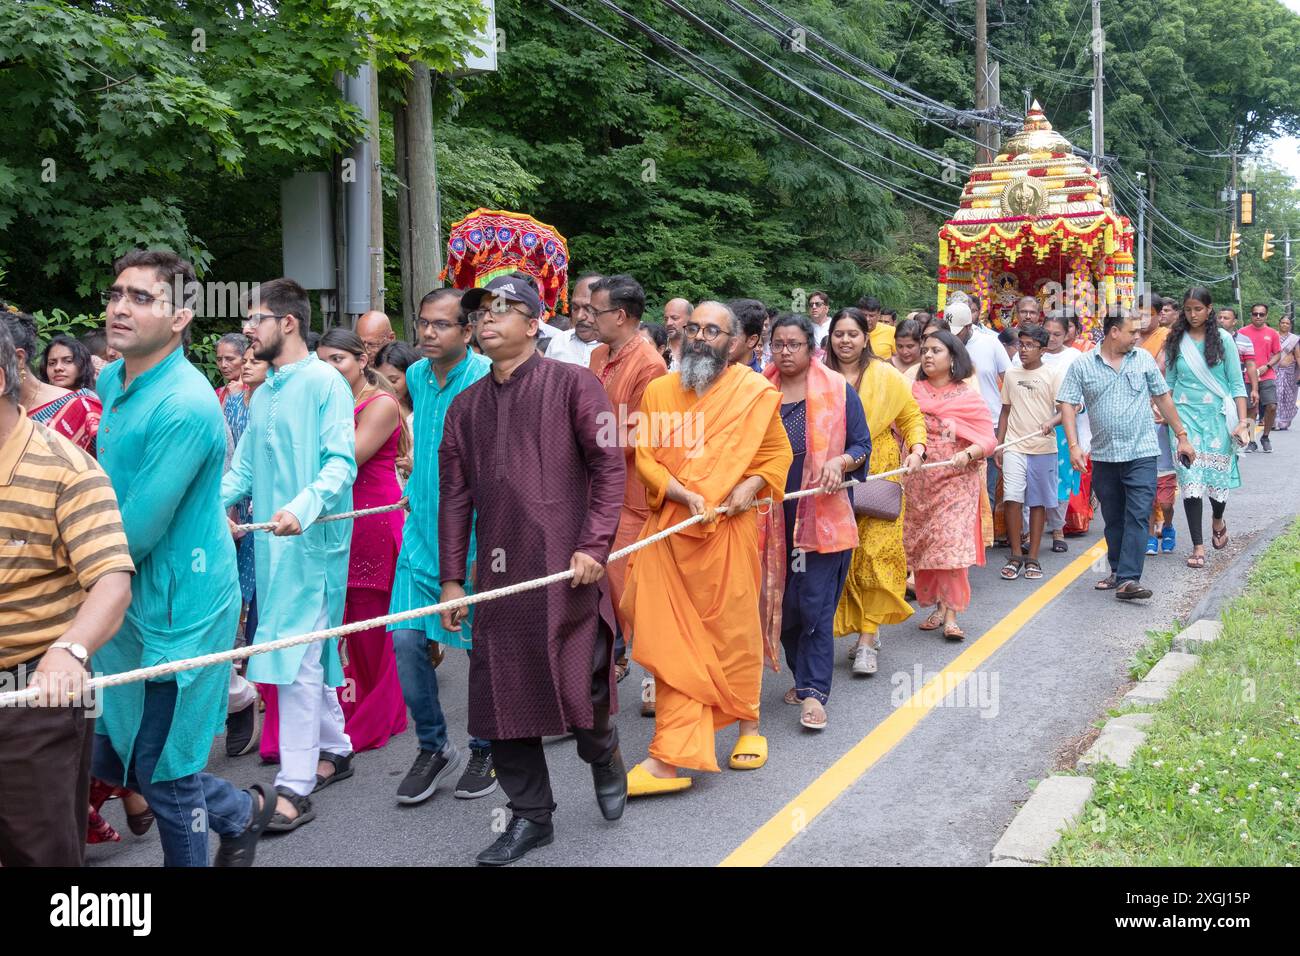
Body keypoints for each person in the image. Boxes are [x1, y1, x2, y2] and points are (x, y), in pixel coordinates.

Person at [92, 249, 276, 867]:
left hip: (181, 608)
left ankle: (223, 824)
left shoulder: (188, 405)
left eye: (142, 297)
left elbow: (135, 530)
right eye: (118, 293)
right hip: (121, 597)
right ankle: (239, 813)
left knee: (165, 772)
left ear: (179, 319)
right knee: (111, 755)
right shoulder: (109, 379)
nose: (120, 306)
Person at [438, 273, 627, 866]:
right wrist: (451, 580)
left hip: (570, 570)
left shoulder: (577, 385)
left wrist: (593, 546)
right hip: (499, 578)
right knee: (500, 696)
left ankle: (603, 751)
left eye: (502, 310)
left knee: (584, 685)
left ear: (534, 322)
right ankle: (531, 818)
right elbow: (454, 497)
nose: (486, 321)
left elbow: (610, 469)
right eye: (479, 313)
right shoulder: (464, 407)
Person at [622, 301, 792, 794]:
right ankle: (669, 760)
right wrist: (680, 492)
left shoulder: (753, 392)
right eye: (693, 327)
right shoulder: (658, 390)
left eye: (712, 331)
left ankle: (749, 726)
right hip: (670, 530)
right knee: (672, 639)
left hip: (727, 532)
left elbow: (777, 453)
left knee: (732, 631)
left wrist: (749, 487)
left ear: (734, 342)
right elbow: (646, 457)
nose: (699, 337)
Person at [0, 320, 135, 867]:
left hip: (39, 687)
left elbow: (111, 579)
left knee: (41, 853)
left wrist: (71, 648)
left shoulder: (67, 468)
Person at [224, 277, 357, 831]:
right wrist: (216, 507)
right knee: (295, 651)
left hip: (313, 543)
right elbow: (246, 468)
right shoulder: (268, 389)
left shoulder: (327, 382)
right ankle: (338, 746)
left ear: (288, 323)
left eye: (255, 319)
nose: (247, 330)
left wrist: (301, 508)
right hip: (270, 542)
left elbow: (340, 462)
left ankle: (295, 787)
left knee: (298, 660)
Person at [387, 287, 495, 805]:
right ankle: (433, 746)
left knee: (480, 651)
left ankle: (486, 745)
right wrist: (413, 484)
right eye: (423, 322)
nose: (428, 333)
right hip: (419, 535)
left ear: (468, 331)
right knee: (407, 643)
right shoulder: (413, 376)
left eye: (441, 325)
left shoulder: (486, 380)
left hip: (474, 540)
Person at [766, 314, 868, 729]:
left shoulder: (839, 391)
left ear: (811, 348)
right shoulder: (757, 392)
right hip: (770, 517)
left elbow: (862, 445)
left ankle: (813, 693)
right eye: (778, 344)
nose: (785, 352)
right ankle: (801, 675)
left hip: (822, 516)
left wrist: (840, 462)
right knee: (784, 607)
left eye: (794, 344)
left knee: (815, 606)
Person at [313, 330, 409, 751]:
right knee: (346, 621)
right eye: (322, 362)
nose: (330, 369)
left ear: (361, 359)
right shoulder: (329, 402)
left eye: (339, 360)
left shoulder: (382, 403)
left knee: (374, 623)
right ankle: (357, 703)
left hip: (371, 518)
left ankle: (384, 712)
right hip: (335, 521)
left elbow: (346, 459)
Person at [1057, 311, 1195, 601]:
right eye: (1132, 332)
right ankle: (1119, 570)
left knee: (1139, 513)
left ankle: (1129, 579)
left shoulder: (1143, 359)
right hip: (1105, 456)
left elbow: (1162, 398)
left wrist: (1182, 436)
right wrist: (1073, 445)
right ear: (1114, 332)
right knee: (1114, 517)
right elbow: (1068, 404)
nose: (1137, 337)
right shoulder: (1083, 365)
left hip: (1142, 452)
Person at [827, 309, 925, 675]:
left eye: (853, 333)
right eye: (839, 334)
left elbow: (911, 416)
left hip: (879, 468)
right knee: (842, 557)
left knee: (875, 554)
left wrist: (916, 448)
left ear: (865, 338)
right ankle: (851, 628)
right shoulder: (819, 376)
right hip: (830, 472)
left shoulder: (886, 375)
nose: (846, 340)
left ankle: (868, 639)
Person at [588, 274, 667, 685]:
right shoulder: (598, 355)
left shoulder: (650, 364)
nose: (587, 317)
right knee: (596, 584)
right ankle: (609, 663)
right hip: (594, 488)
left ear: (620, 316)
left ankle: (658, 670)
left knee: (628, 590)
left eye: (594, 310)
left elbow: (640, 436)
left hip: (631, 494)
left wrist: (585, 443)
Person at [904, 330, 997, 639]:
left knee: (951, 545)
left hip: (957, 482)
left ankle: (952, 616)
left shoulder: (967, 397)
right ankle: (938, 606)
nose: (928, 356)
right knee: (928, 546)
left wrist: (969, 451)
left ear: (953, 358)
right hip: (920, 482)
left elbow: (987, 437)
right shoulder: (912, 391)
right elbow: (897, 427)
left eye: (936, 351)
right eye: (925, 350)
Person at [1162, 288, 1249, 568]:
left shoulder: (1223, 339)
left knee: (1216, 482)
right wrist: (1164, 414)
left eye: (1198, 309)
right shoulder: (1176, 339)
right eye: (1188, 310)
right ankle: (1198, 546)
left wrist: (1243, 423)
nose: (1193, 315)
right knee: (1190, 484)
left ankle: (1218, 518)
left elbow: (1237, 384)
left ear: (1209, 309)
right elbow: (1170, 384)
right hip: (1185, 421)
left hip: (1217, 421)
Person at [223, 345, 267, 758]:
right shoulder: (230, 400)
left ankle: (258, 677)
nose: (239, 366)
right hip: (234, 510)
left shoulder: (281, 398)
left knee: (254, 598)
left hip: (273, 517)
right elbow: (238, 467)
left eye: (253, 357)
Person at [995, 324, 1061, 582]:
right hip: (1014, 445)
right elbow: (1005, 411)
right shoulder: (1011, 375)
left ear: (1042, 350)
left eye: (1030, 345)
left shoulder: (1052, 375)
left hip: (1043, 447)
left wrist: (1052, 422)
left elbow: (1065, 409)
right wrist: (999, 444)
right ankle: (1015, 555)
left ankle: (1032, 557)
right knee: (1012, 498)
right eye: (1021, 344)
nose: (1023, 350)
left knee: (1037, 501)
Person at [2, 311, 102, 454]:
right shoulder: (6, 412)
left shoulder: (80, 405)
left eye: (67, 361)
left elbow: (111, 466)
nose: (58, 368)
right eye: (52, 363)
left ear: (19, 359)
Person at [1040, 315, 1086, 552]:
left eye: (1057, 334)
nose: (1051, 338)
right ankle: (1029, 532)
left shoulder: (1075, 358)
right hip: (1033, 425)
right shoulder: (1031, 354)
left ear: (1067, 333)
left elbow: (1080, 397)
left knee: (1061, 478)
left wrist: (1071, 410)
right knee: (1036, 478)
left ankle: (1058, 528)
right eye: (1047, 332)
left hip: (1063, 427)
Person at [1239, 303, 1282, 453]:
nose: (1258, 316)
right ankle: (1251, 441)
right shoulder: (1242, 333)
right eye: (1255, 314)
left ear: (1266, 316)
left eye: (1261, 314)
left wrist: (1267, 366)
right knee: (1251, 409)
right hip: (1247, 376)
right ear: (1251, 315)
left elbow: (1278, 353)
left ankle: (1265, 436)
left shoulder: (1272, 333)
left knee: (1272, 406)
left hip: (1266, 375)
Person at [539, 272, 602, 366]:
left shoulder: (617, 347)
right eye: (575, 308)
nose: (579, 316)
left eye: (589, 309)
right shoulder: (559, 341)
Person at [727, 298, 767, 371]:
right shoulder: (712, 372)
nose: (724, 339)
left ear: (752, 340)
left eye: (733, 333)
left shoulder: (758, 381)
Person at [1275, 315, 1299, 430]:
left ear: (1290, 326)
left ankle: (1284, 421)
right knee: (1277, 394)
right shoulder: (1273, 336)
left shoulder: (1294, 339)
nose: (1284, 325)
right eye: (1283, 322)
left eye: (1287, 323)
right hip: (1275, 370)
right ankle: (1276, 421)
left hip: (1290, 372)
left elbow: (1298, 357)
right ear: (1279, 324)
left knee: (1288, 397)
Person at [856, 295, 895, 359]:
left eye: (871, 316)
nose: (867, 319)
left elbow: (898, 357)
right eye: (864, 315)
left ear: (879, 315)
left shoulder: (891, 331)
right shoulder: (850, 331)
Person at [214, 332, 248, 404]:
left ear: (244, 359)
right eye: (219, 359)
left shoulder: (256, 391)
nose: (223, 365)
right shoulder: (218, 394)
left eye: (230, 359)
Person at [890, 317, 923, 381]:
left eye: (910, 346)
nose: (904, 352)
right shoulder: (887, 365)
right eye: (900, 346)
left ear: (921, 343)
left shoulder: (927, 366)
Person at [662, 297, 692, 367]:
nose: (668, 323)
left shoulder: (700, 349)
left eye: (674, 318)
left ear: (690, 319)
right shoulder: (658, 348)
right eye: (666, 319)